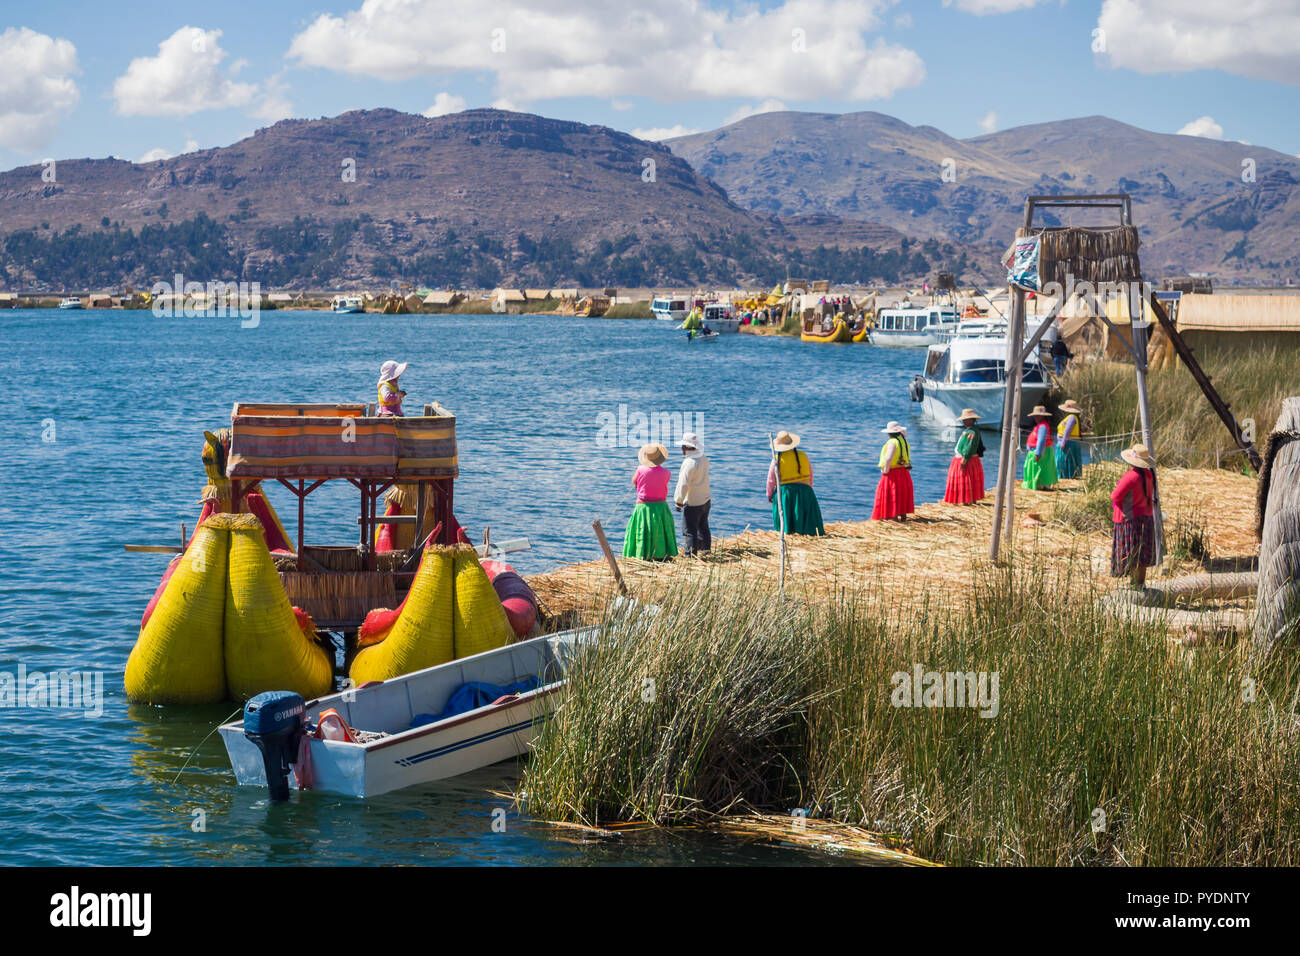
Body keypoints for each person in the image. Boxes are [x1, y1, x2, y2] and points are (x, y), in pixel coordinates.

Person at [1111, 443, 1157, 588]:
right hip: (1146, 518)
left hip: (1130, 520)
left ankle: (1133, 583)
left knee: (1131, 551)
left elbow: (1115, 496)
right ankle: (1140, 583)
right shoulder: (1149, 475)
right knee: (1141, 553)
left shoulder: (1131, 476)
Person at [622, 443, 678, 560]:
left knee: (643, 530)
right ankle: (660, 554)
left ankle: (641, 553)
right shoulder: (667, 472)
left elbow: (634, 481)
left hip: (643, 506)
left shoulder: (640, 469)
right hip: (661, 506)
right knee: (659, 531)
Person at [766, 430, 824, 535]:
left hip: (786, 493)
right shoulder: (803, 455)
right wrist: (808, 490)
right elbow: (810, 474)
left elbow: (771, 480)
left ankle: (787, 530)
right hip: (806, 491)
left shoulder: (776, 459)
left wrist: (769, 495)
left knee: (781, 503)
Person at [674, 432, 711, 555]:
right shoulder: (703, 458)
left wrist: (679, 501)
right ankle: (705, 549)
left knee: (689, 530)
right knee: (703, 527)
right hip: (705, 499)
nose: (681, 449)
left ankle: (690, 555)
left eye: (683, 446)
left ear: (688, 447)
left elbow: (683, 484)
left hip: (693, 501)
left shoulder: (689, 463)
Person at [871, 421, 915, 521]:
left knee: (891, 493)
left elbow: (888, 458)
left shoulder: (892, 442)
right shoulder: (904, 441)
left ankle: (892, 516)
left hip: (893, 472)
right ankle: (903, 515)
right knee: (902, 493)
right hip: (903, 471)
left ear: (889, 433)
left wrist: (885, 470)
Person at [942, 409, 985, 504]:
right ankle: (968, 499)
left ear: (972, 420)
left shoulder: (972, 432)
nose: (964, 421)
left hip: (966, 459)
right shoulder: (970, 430)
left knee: (965, 479)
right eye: (964, 420)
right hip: (965, 458)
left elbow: (969, 446)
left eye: (966, 420)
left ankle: (966, 500)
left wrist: (965, 459)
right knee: (969, 479)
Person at [1021, 405, 1057, 490]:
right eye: (1035, 416)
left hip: (1041, 452)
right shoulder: (1041, 425)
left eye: (1037, 415)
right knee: (1041, 469)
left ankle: (1040, 485)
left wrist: (1037, 453)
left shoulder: (1043, 426)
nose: (1035, 417)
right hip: (1039, 451)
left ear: (1042, 416)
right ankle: (1040, 485)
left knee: (1040, 469)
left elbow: (1041, 440)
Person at [1055, 399, 1084, 479]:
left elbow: (1067, 430)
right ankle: (1068, 475)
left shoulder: (1071, 418)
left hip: (1069, 444)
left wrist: (1063, 443)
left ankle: (1066, 475)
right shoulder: (1071, 417)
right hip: (1068, 442)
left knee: (1066, 460)